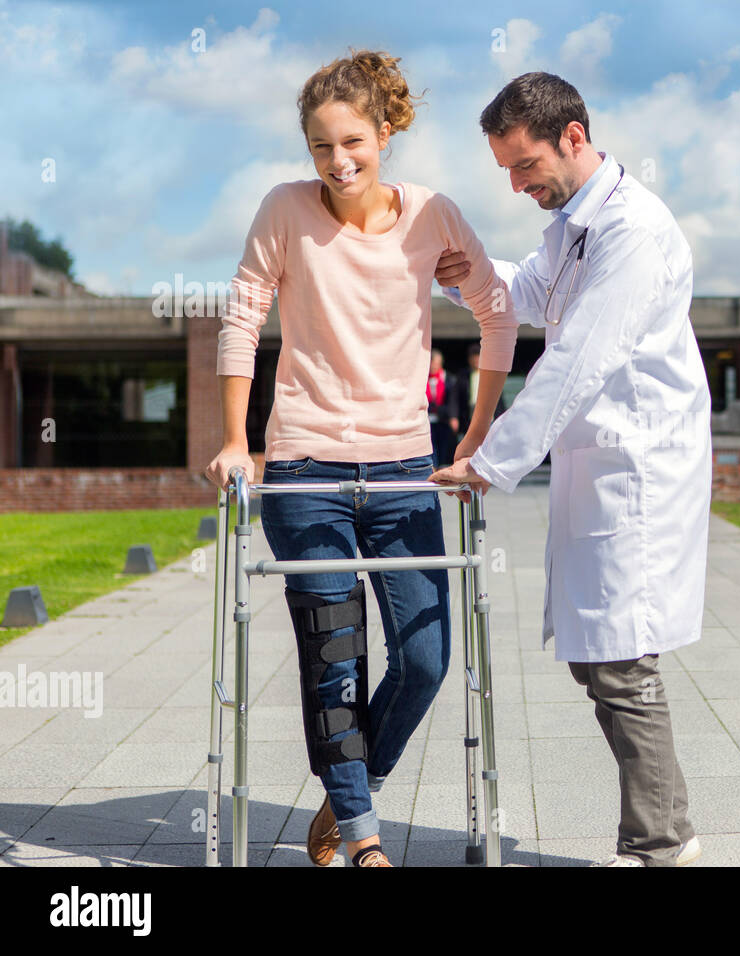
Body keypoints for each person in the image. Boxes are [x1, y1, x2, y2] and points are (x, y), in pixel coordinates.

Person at [203, 49, 515, 868]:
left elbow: (500, 313)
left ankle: (352, 789)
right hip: (304, 471)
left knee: (424, 656)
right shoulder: (283, 210)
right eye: (319, 147)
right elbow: (241, 319)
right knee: (335, 660)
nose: (337, 163)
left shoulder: (434, 216)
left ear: (386, 131)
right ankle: (365, 838)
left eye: (352, 143)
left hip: (405, 467)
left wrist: (477, 433)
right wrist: (239, 441)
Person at [432, 72, 711, 867]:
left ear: (573, 136)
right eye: (507, 174)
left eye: (525, 167)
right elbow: (526, 293)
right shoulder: (572, 228)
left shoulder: (631, 231)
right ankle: (663, 833)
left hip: (640, 464)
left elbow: (578, 359)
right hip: (602, 463)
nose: (519, 186)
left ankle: (661, 844)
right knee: (599, 656)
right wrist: (465, 278)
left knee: (621, 658)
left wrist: (490, 459)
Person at [426, 348, 460, 466]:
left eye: (436, 363)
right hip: (428, 419)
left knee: (444, 447)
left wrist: (453, 417)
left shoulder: (448, 378)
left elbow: (453, 400)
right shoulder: (423, 378)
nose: (434, 366)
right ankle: (433, 467)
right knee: (431, 448)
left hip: (443, 418)